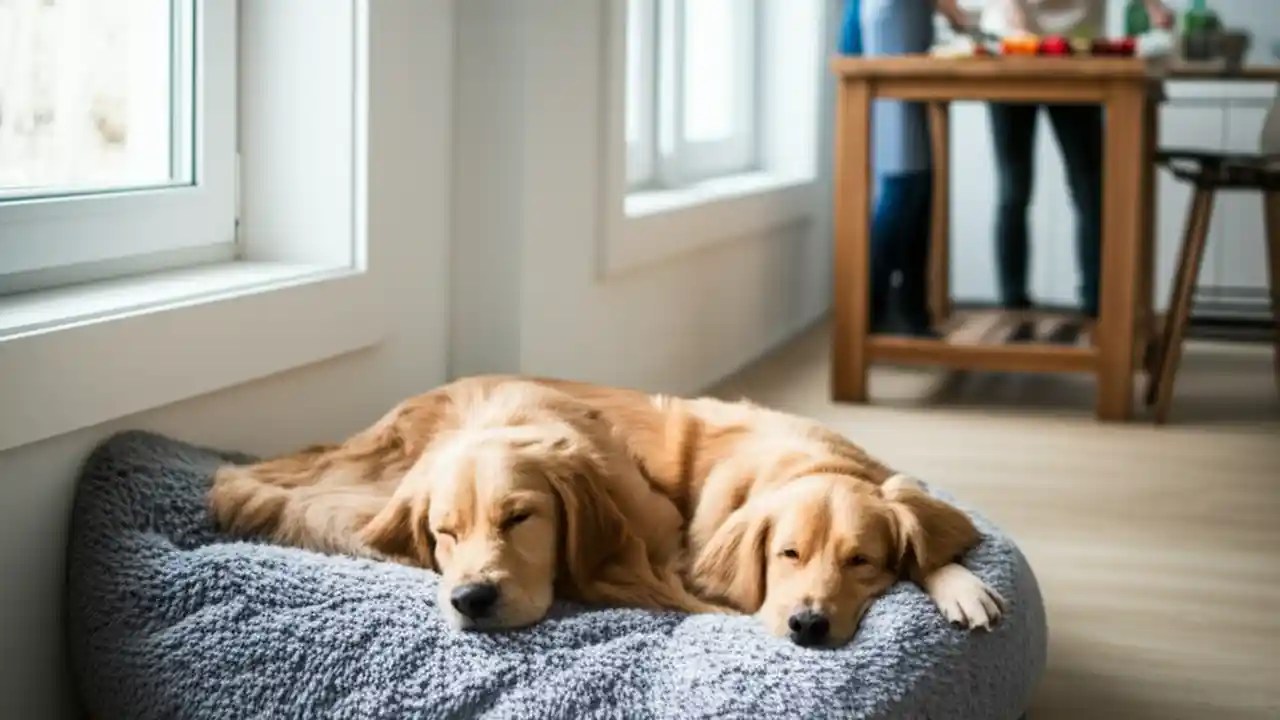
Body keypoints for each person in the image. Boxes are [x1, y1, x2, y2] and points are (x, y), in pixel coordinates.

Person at [981, 0, 1173, 324]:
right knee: (1014, 191)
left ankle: (1097, 304)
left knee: (1091, 189)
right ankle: (1013, 305)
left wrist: (1154, 7)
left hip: (1078, 56)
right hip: (1014, 51)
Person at [839, 0, 969, 337]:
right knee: (903, 179)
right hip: (890, 22)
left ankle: (911, 312)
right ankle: (867, 317)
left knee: (919, 183)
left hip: (905, 20)